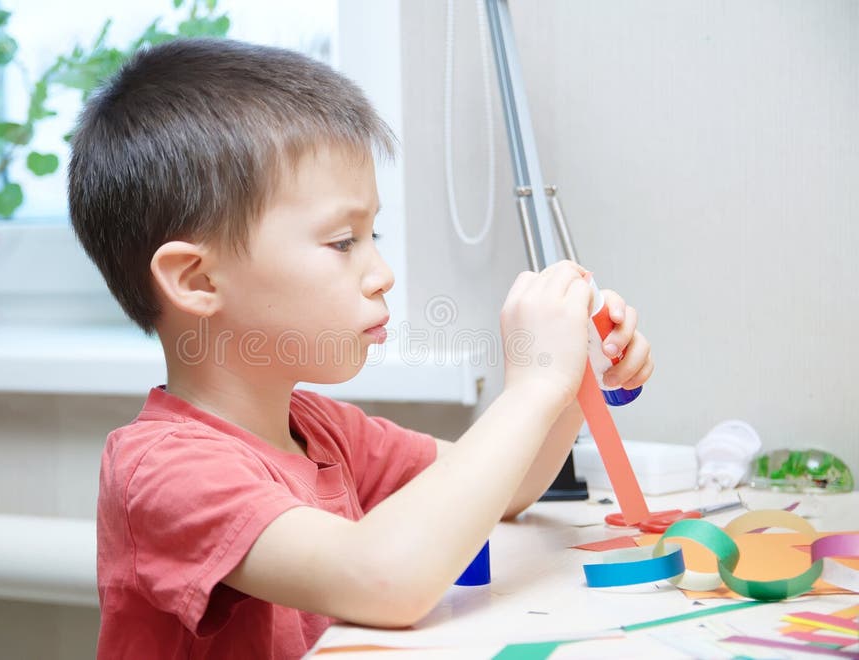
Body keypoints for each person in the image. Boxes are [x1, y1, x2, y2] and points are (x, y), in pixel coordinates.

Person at [68, 38, 653, 660]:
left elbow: (508, 490)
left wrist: (567, 381)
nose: (382, 274)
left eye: (372, 234)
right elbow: (384, 580)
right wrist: (532, 387)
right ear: (198, 281)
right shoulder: (164, 472)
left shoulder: (323, 432)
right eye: (344, 241)